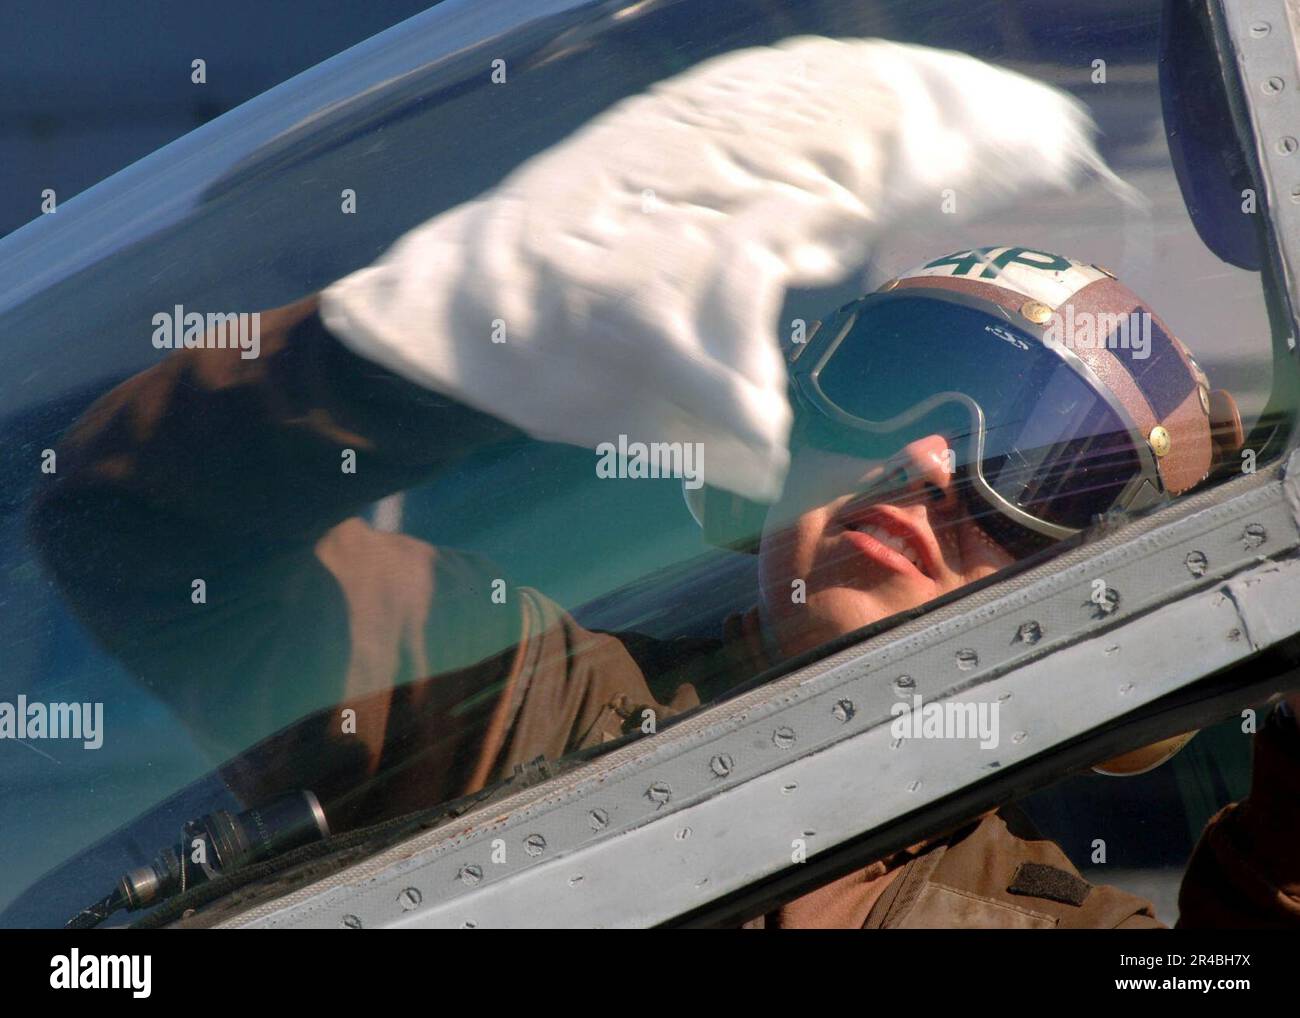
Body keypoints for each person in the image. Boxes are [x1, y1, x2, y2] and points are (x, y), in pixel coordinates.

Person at [30, 240, 1300, 927]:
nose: (927, 454)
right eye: (893, 378)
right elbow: (141, 520)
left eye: (1046, 467)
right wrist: (490, 313)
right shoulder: (508, 711)